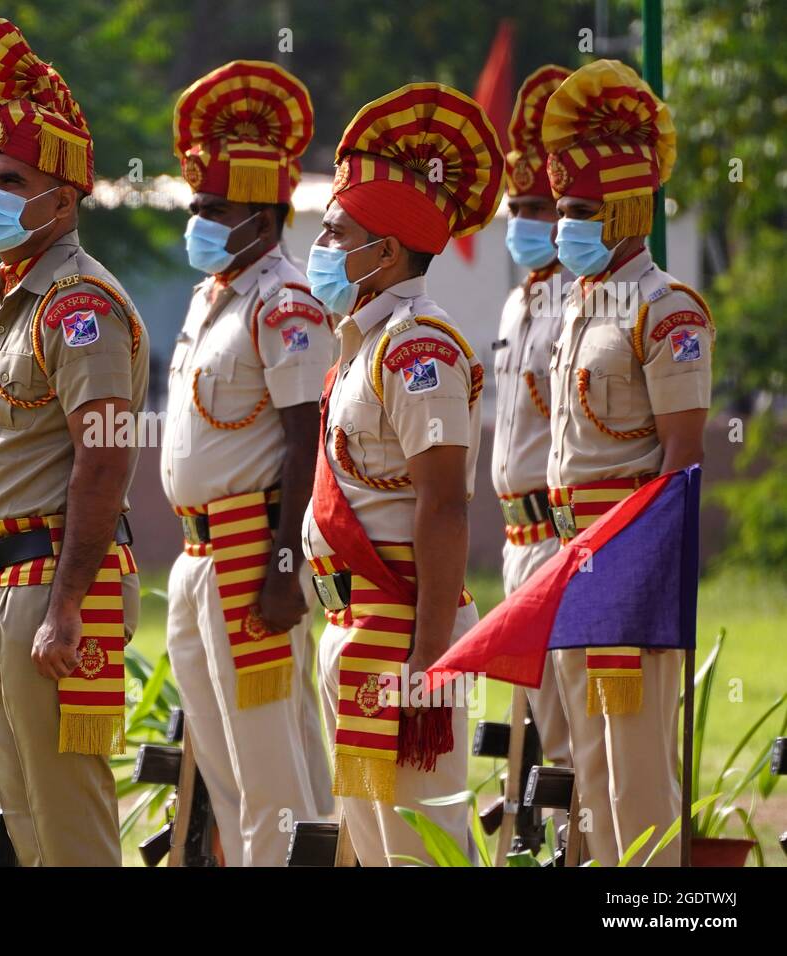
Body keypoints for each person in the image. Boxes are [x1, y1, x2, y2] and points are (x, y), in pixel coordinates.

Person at [0, 17, 149, 867]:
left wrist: (68, 605)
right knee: (27, 832)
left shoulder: (78, 303)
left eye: (10, 178)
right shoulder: (16, 303)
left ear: (63, 198)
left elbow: (105, 456)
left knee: (69, 828)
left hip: (51, 587)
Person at [300, 82, 503, 866]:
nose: (320, 248)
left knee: (420, 847)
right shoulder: (364, 343)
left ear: (384, 253)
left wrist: (428, 656)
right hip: (351, 628)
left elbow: (445, 503)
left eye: (335, 233)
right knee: (372, 844)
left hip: (401, 634)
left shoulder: (420, 348)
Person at [163, 59, 334, 866]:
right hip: (195, 556)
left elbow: (308, 436)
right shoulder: (211, 297)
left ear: (264, 215)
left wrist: (282, 563)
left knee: (272, 770)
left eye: (215, 208)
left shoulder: (286, 300)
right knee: (226, 773)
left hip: (248, 548)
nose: (198, 220)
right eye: (196, 204)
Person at [541, 59, 711, 867]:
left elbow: (681, 457)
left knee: (637, 778)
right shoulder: (581, 306)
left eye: (580, 210)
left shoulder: (667, 308)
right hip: (573, 560)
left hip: (631, 560)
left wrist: (646, 578)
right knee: (589, 771)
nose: (563, 225)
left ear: (627, 208)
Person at [490, 65, 575, 786]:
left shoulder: (587, 302)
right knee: (539, 742)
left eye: (536, 209)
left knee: (578, 737)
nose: (522, 224)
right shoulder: (520, 302)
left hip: (561, 532)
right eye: (516, 208)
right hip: (516, 538)